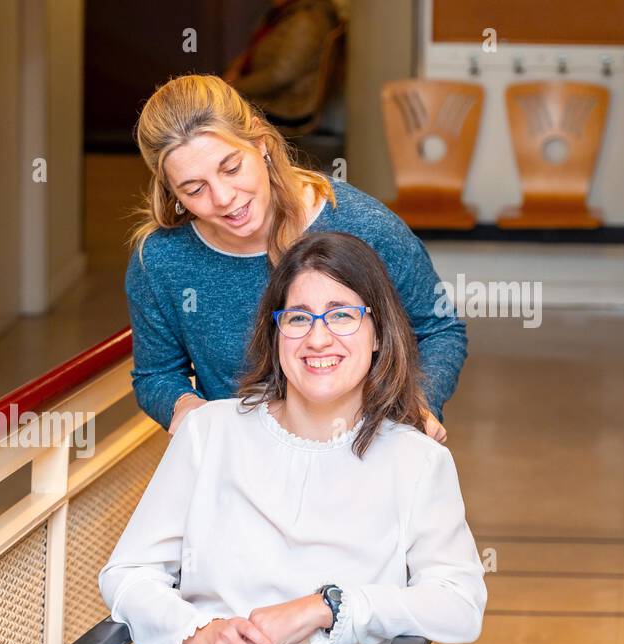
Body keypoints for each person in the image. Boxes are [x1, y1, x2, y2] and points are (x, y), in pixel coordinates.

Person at [88, 230, 487, 644]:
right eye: (298, 317)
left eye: (342, 315)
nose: (318, 337)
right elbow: (129, 573)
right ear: (275, 334)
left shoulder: (416, 462)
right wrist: (198, 630)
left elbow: (460, 603)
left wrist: (327, 607)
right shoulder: (210, 434)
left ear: (379, 332)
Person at [126, 73, 466, 443]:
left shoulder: (361, 224)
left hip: (361, 454)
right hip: (243, 467)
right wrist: (182, 404)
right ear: (172, 192)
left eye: (231, 168)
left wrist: (419, 402)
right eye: (195, 189)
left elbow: (438, 328)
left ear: (261, 143)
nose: (223, 197)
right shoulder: (160, 261)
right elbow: (156, 374)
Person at [222, 0, 343, 129]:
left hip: (287, 106)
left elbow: (279, 76)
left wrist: (231, 86)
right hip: (277, 97)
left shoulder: (306, 21)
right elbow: (254, 51)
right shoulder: (286, 13)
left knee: (216, 110)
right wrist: (235, 71)